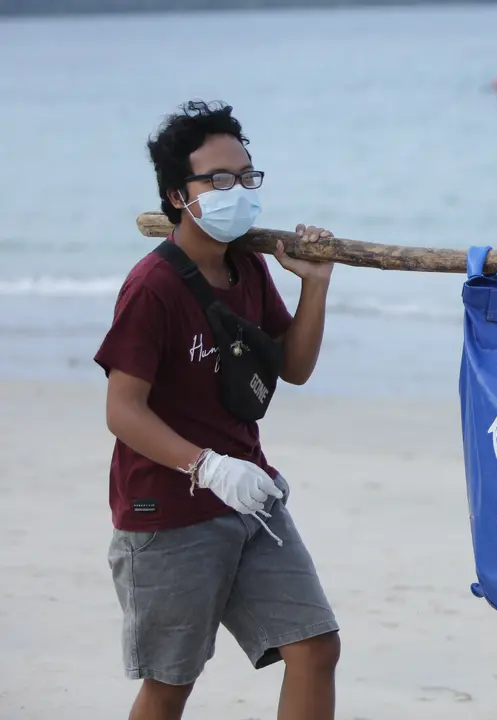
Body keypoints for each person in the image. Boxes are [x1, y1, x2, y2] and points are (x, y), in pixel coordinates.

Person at [94, 100, 341, 720]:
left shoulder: (248, 264)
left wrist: (315, 282)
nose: (239, 190)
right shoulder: (152, 287)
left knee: (315, 647)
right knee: (171, 682)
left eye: (248, 176)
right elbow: (123, 410)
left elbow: (294, 366)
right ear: (180, 195)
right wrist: (208, 467)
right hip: (169, 509)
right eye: (220, 179)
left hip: (250, 497)